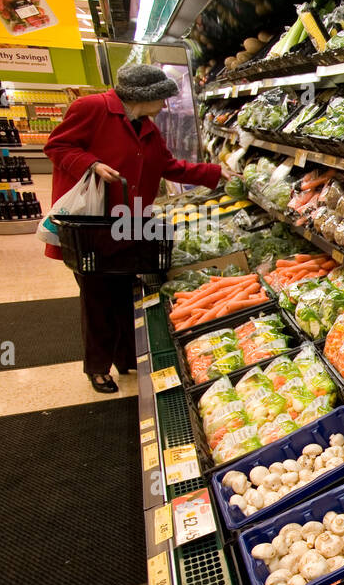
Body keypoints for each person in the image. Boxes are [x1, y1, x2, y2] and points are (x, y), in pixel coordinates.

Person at [44, 64, 222, 393]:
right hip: (93, 226)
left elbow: (168, 166)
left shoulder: (148, 128)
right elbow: (57, 146)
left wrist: (216, 174)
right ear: (145, 96)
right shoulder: (92, 108)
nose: (166, 104)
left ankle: (127, 357)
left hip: (130, 223)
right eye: (163, 98)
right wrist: (91, 164)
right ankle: (97, 368)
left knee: (126, 292)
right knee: (97, 298)